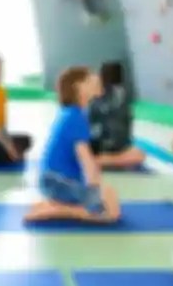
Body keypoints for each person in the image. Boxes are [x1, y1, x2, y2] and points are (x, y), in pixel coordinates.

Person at [25, 67, 121, 224]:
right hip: (56, 182)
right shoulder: (75, 117)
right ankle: (61, 210)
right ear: (79, 87)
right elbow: (87, 162)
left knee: (107, 195)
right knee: (112, 210)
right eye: (89, 79)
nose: (96, 80)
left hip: (51, 181)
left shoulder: (71, 112)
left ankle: (56, 204)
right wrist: (96, 195)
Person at [88, 61, 146, 170]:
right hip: (110, 147)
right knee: (138, 154)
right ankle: (101, 160)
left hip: (99, 145)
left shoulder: (96, 96)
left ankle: (98, 159)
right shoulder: (121, 96)